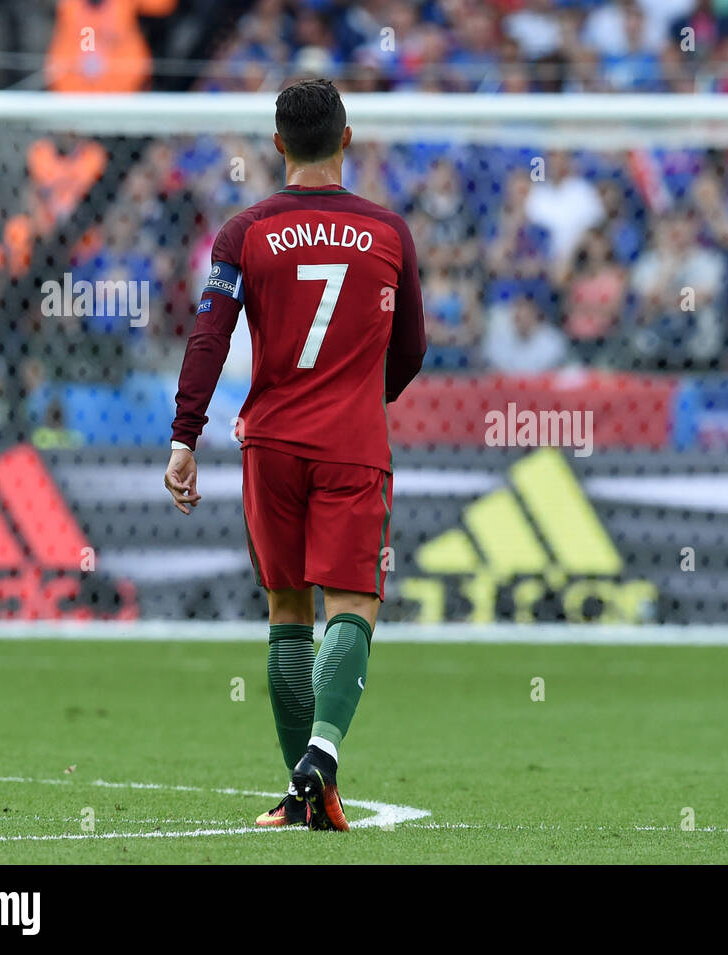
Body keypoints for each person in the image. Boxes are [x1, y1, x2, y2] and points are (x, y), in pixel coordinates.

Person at [165, 79, 426, 831]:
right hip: (351, 443)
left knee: (287, 613)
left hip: (270, 443)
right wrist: (359, 399)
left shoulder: (244, 233)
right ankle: (321, 756)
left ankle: (303, 793)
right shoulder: (388, 232)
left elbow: (209, 335)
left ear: (277, 145)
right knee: (355, 605)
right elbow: (410, 349)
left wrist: (186, 436)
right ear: (348, 138)